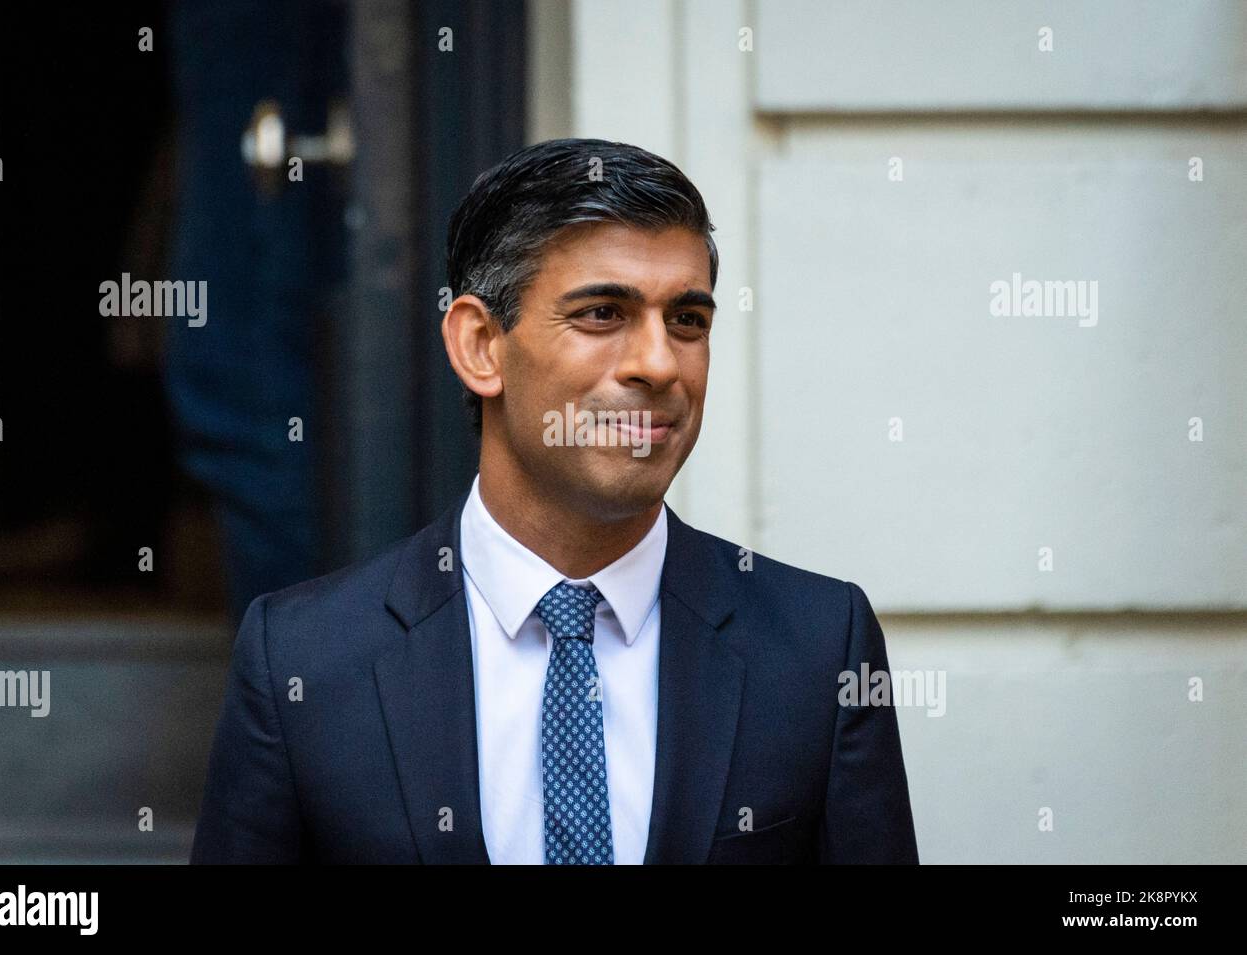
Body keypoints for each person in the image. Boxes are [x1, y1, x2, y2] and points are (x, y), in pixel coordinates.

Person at [191, 138, 919, 864]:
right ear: (480, 345)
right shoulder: (305, 659)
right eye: (603, 313)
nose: (660, 363)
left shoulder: (819, 648)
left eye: (688, 321)